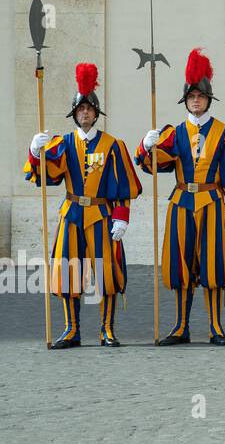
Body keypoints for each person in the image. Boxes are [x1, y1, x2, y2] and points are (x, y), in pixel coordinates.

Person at [137, 49, 225, 345]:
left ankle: (215, 327)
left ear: (208, 99)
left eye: (200, 96)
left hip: (212, 203)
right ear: (186, 100)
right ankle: (180, 326)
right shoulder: (174, 133)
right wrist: (147, 146)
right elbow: (155, 165)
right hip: (181, 203)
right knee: (180, 265)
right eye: (191, 97)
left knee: (212, 265)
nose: (196, 101)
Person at [24, 63, 141, 348]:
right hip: (73, 213)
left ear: (96, 113)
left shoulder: (113, 145)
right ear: (75, 114)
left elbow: (124, 184)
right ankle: (72, 329)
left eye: (89, 109)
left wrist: (122, 217)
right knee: (67, 271)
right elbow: (43, 175)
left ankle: (107, 330)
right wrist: (34, 151)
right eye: (80, 109)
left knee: (107, 273)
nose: (85, 113)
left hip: (102, 214)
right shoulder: (62, 143)